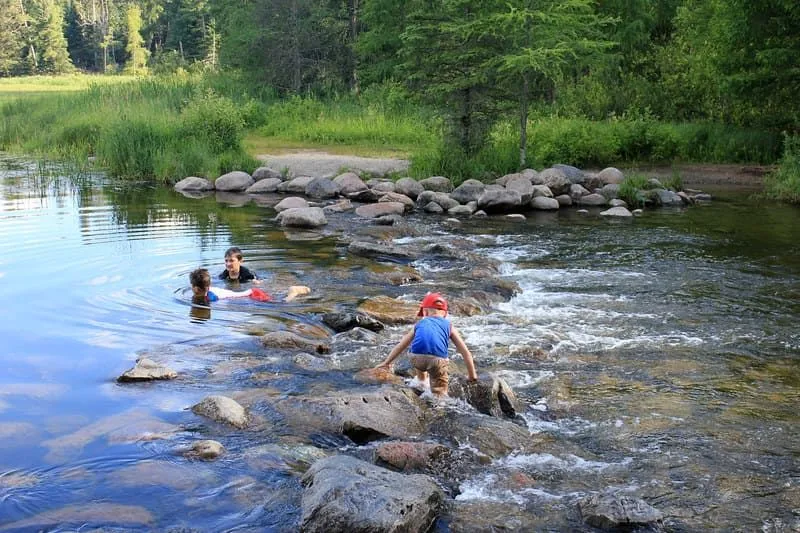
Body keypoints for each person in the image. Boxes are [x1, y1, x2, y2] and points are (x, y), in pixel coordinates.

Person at [374, 292, 477, 397]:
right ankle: (439, 403)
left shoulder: (419, 324)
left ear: (425, 312)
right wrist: (472, 376)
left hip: (416, 358)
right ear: (445, 314)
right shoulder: (449, 325)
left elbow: (401, 346)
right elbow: (465, 352)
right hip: (437, 361)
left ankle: (421, 381)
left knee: (420, 347)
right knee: (440, 392)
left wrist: (386, 362)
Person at [190, 268, 311, 304]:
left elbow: (213, 300)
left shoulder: (211, 297)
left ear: (195, 288)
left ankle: (293, 291)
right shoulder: (210, 290)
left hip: (253, 294)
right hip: (251, 292)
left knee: (281, 303)